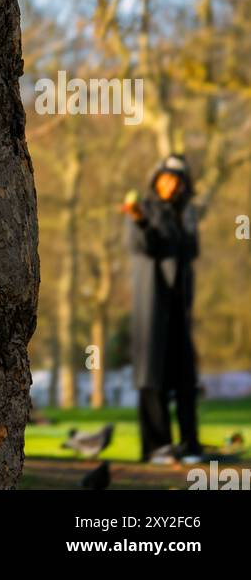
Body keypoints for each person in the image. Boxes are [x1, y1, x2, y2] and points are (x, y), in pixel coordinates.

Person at [122, 154, 202, 464]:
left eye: (176, 179)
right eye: (165, 178)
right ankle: (157, 446)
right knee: (151, 374)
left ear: (183, 185)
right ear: (156, 180)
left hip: (178, 305)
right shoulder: (143, 209)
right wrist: (141, 221)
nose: (170, 184)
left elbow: (190, 248)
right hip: (151, 303)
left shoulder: (185, 213)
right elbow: (144, 246)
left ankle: (189, 444)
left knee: (185, 377)